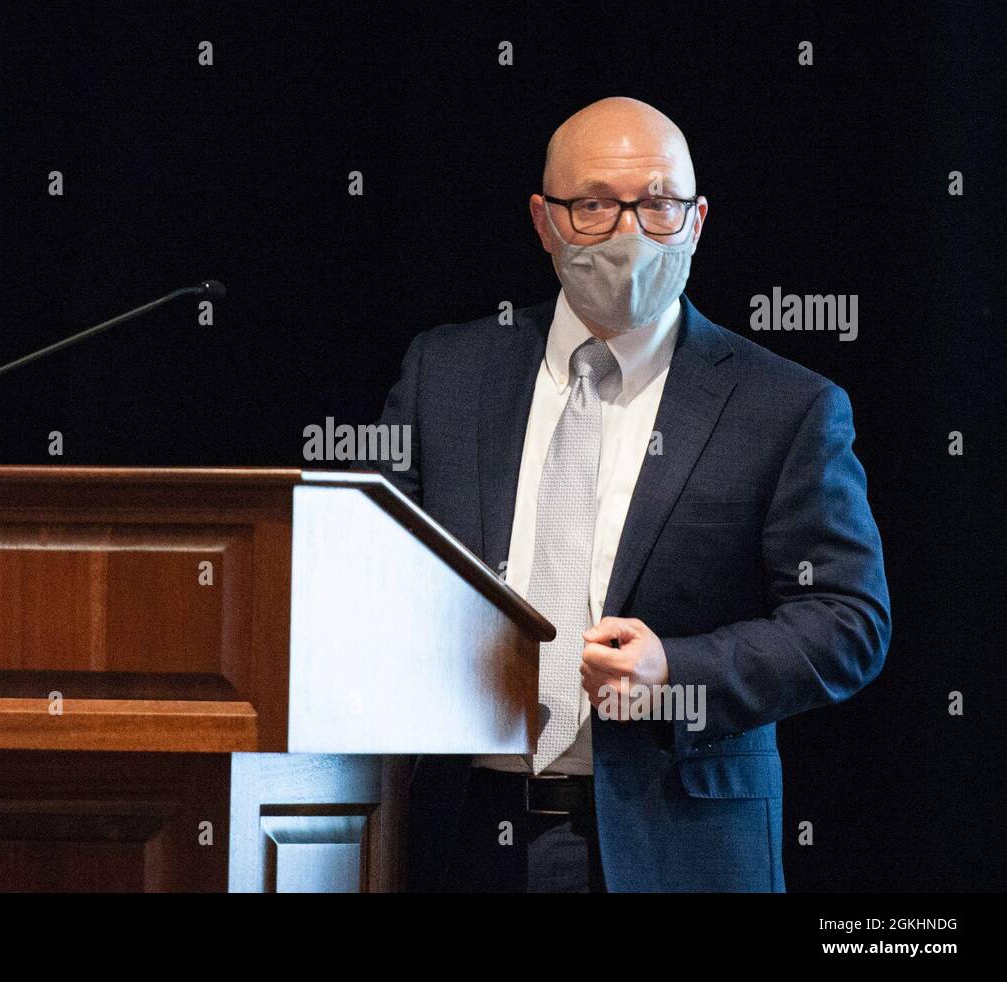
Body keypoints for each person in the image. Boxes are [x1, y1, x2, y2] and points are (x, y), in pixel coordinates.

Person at [367, 96, 891, 892]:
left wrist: (677, 672)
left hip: (678, 844)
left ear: (698, 219)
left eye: (659, 205)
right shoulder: (446, 373)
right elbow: (371, 575)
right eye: (594, 206)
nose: (630, 232)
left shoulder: (784, 406)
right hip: (465, 836)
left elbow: (849, 623)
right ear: (543, 222)